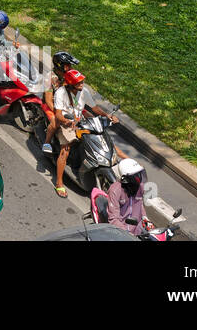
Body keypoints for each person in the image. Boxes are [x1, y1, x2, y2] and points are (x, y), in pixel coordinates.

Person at [52, 68, 119, 198]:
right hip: (66, 123)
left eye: (82, 82)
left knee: (98, 138)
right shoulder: (60, 93)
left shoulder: (84, 91)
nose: (82, 85)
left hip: (81, 121)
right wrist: (67, 121)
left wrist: (107, 116)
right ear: (71, 85)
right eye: (79, 83)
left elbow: (94, 108)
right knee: (65, 150)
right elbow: (58, 114)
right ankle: (59, 182)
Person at [39, 50, 80, 155]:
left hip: (63, 104)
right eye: (67, 66)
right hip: (50, 105)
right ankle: (47, 143)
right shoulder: (49, 78)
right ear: (59, 66)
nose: (70, 68)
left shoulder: (68, 76)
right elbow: (48, 100)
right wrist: (59, 113)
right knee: (55, 123)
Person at [104, 159, 148, 235]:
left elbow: (140, 204)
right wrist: (127, 234)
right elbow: (113, 219)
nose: (139, 178)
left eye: (139, 174)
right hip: (120, 231)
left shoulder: (140, 187)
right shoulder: (115, 190)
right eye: (135, 176)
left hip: (137, 230)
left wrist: (145, 217)